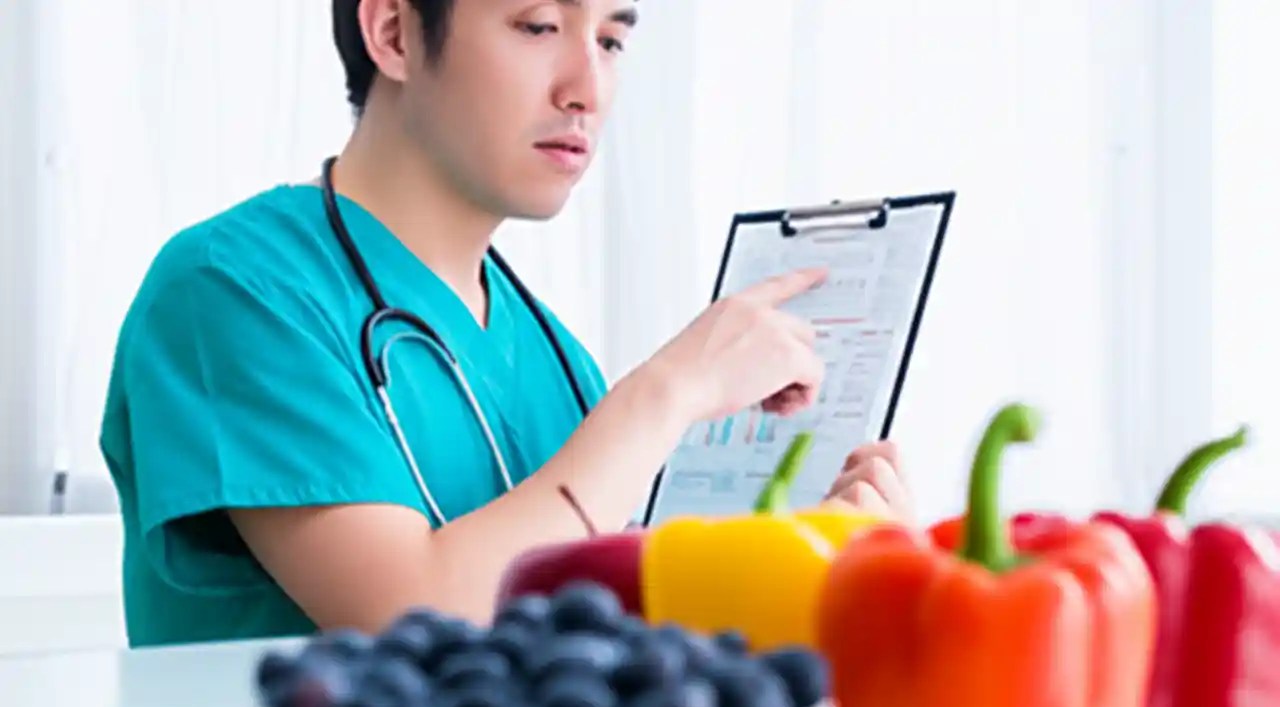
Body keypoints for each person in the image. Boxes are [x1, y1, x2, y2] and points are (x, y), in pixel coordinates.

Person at [98, 0, 915, 649]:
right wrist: (671, 392)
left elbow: (619, 640)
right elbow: (417, 617)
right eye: (539, 27)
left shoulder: (555, 357)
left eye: (612, 41)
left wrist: (819, 554)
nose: (586, 89)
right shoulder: (235, 289)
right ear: (394, 32)